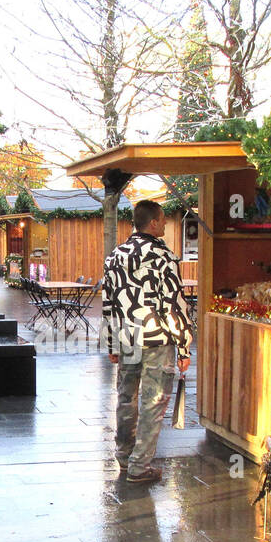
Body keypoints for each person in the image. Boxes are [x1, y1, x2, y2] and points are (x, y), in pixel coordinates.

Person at [102, 199, 192, 484]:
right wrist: (184, 344)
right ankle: (141, 465)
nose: (165, 224)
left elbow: (109, 304)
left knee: (126, 399)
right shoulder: (164, 256)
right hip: (157, 338)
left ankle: (124, 456)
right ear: (153, 223)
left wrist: (112, 344)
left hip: (127, 337)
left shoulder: (115, 255)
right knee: (153, 403)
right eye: (163, 219)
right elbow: (174, 304)